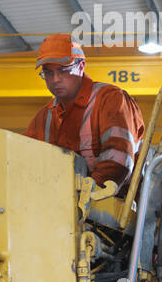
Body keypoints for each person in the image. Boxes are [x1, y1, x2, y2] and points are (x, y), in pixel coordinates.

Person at [23, 34, 146, 192]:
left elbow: (118, 161)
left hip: (113, 206)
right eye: (48, 73)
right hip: (65, 206)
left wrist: (86, 195)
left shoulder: (109, 100)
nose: (55, 79)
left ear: (81, 66)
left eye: (63, 70)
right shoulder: (44, 117)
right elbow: (21, 158)